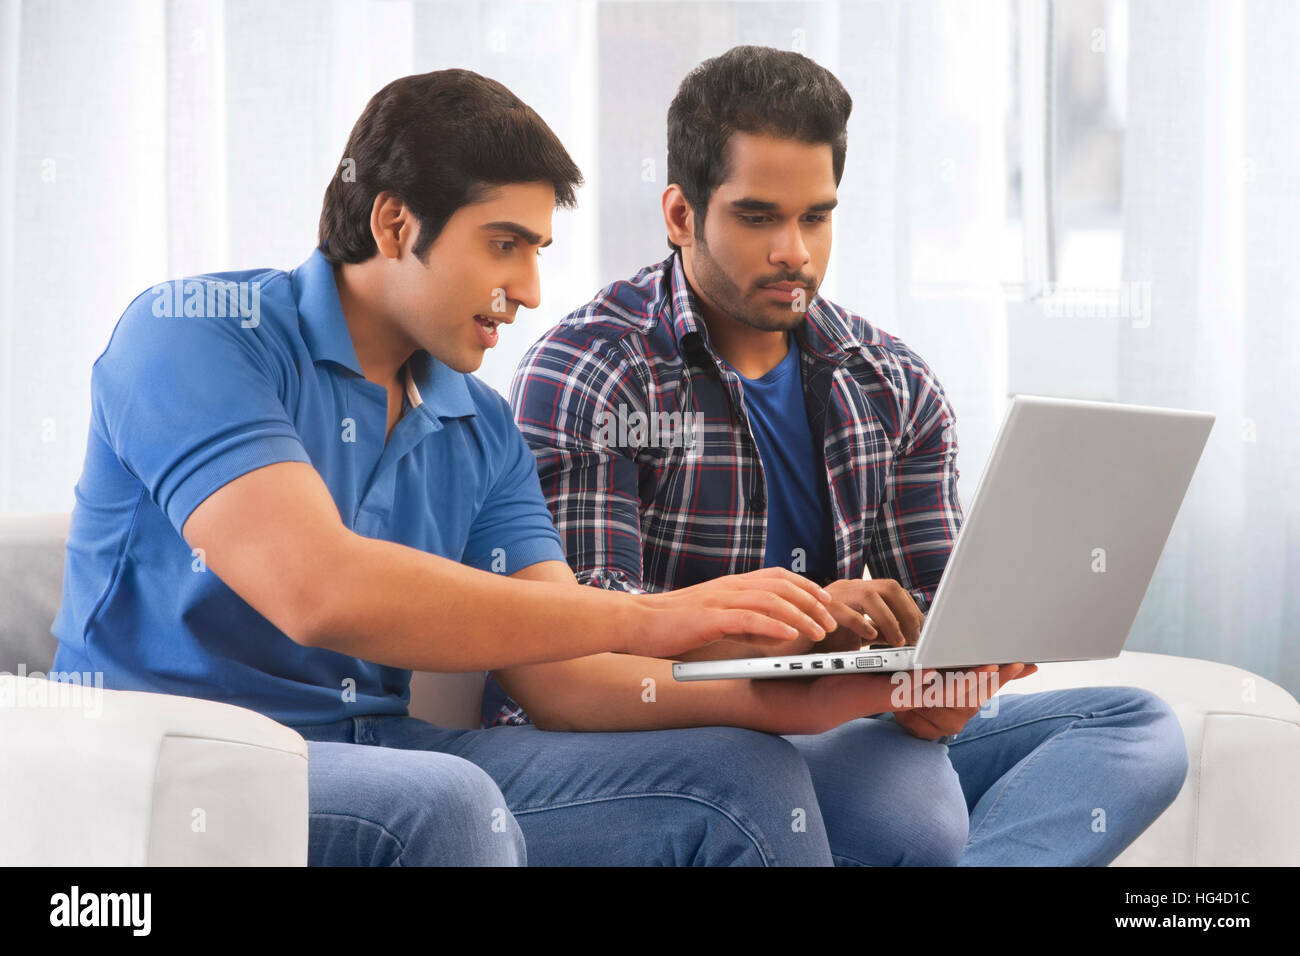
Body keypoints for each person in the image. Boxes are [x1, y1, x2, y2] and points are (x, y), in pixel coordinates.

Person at [49, 69, 869, 866]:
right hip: (172, 756)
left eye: (538, 249)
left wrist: (797, 688)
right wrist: (661, 617)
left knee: (739, 776)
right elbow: (317, 589)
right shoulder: (195, 336)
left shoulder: (478, 422)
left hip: (379, 752)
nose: (530, 288)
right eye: (504, 244)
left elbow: (563, 678)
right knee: (444, 801)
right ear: (395, 224)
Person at [496, 46, 1190, 865]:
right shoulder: (593, 370)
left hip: (846, 721)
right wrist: (809, 632)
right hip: (663, 739)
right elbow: (580, 637)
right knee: (908, 817)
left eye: (816, 217)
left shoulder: (890, 381)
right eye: (759, 218)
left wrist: (951, 684)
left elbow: (936, 614)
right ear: (681, 215)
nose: (795, 252)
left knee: (1133, 727)